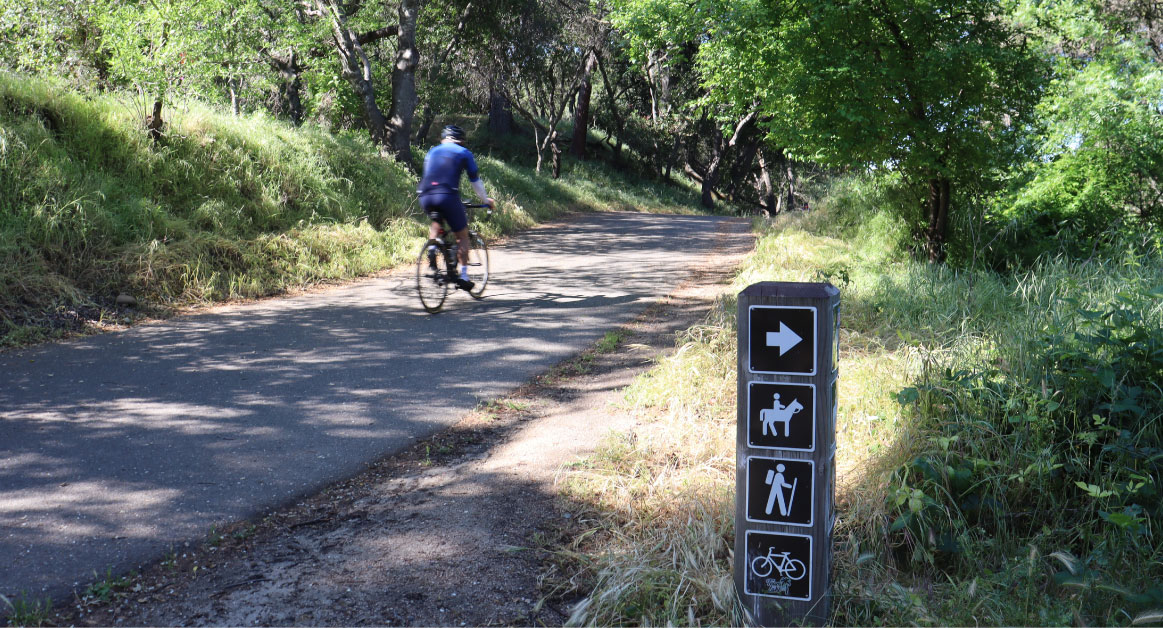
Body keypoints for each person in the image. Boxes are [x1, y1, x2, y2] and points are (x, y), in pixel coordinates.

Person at [418, 125, 496, 291]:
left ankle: (433, 247)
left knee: (437, 222)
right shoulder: (464, 153)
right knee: (462, 236)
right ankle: (464, 276)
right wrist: (486, 200)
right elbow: (475, 182)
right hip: (447, 195)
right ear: (460, 140)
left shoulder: (432, 151)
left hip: (425, 194)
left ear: (444, 138)